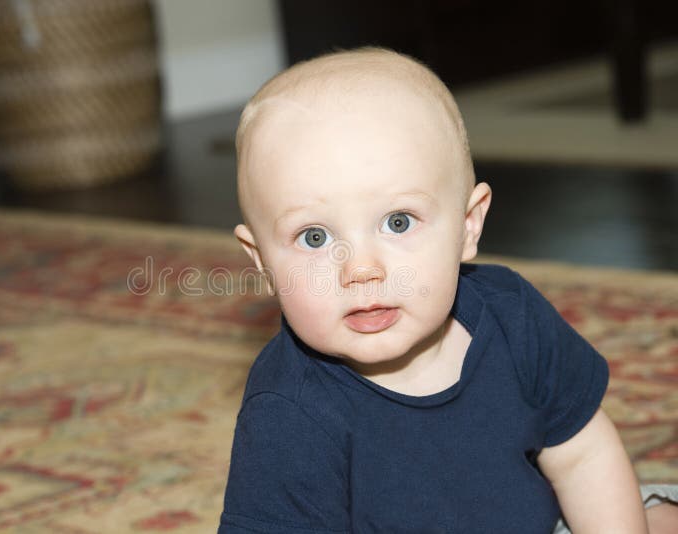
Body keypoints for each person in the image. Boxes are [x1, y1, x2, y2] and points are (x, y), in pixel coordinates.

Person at [219, 47, 678, 533]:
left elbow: (583, 454)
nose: (362, 269)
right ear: (263, 261)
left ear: (467, 226)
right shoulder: (287, 415)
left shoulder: (511, 317)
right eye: (315, 237)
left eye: (398, 222)